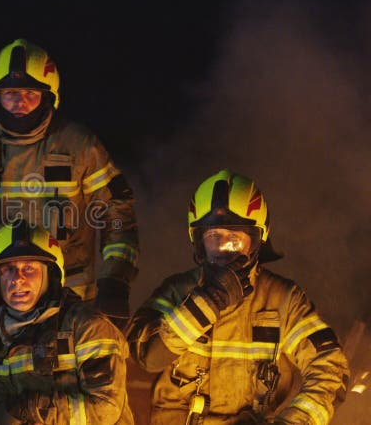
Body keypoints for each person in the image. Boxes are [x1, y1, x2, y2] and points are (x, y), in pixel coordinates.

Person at [0, 38, 140, 419]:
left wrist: (115, 280)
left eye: (30, 93)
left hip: (74, 298)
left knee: (86, 398)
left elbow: (118, 211)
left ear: (49, 95)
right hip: (6, 302)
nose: (19, 102)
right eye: (9, 94)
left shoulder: (78, 145)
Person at [126, 169, 350, 424]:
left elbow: (331, 367)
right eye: (214, 237)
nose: (224, 248)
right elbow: (147, 355)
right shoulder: (177, 291)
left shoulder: (283, 300)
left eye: (235, 238)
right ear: (199, 242)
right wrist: (208, 301)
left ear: (257, 239)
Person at [0, 220, 134, 424]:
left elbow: (106, 409)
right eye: (8, 269)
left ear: (50, 276)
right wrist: (0, 412)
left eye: (29, 269)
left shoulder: (88, 328)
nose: (18, 279)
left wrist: (33, 409)